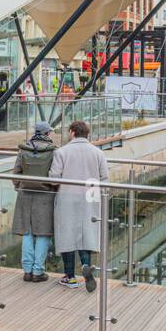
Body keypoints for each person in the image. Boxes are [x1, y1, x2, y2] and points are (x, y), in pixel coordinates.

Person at [50, 120, 109, 291]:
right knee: (86, 234)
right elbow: (105, 179)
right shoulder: (98, 153)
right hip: (91, 197)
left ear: (72, 132)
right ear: (87, 134)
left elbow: (54, 179)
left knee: (67, 235)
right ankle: (85, 265)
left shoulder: (62, 152)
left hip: (67, 197)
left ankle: (70, 277)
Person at [12, 121, 57, 282]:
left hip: (25, 194)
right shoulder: (52, 151)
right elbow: (55, 176)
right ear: (47, 134)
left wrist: (20, 187)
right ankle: (38, 271)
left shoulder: (23, 150)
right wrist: (52, 189)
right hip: (45, 195)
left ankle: (27, 270)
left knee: (27, 232)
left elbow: (16, 172)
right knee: (43, 233)